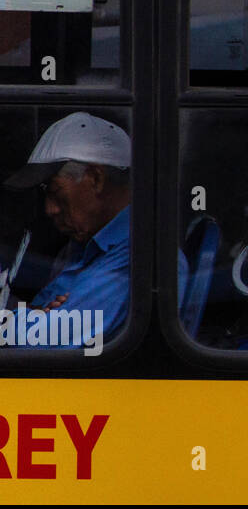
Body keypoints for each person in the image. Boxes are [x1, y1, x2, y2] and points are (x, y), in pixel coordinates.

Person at [2, 112, 176, 348]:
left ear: (95, 178)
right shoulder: (89, 248)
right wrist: (38, 317)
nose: (50, 209)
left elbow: (42, 343)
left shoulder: (139, 256)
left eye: (55, 192)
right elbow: (44, 325)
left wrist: (45, 323)